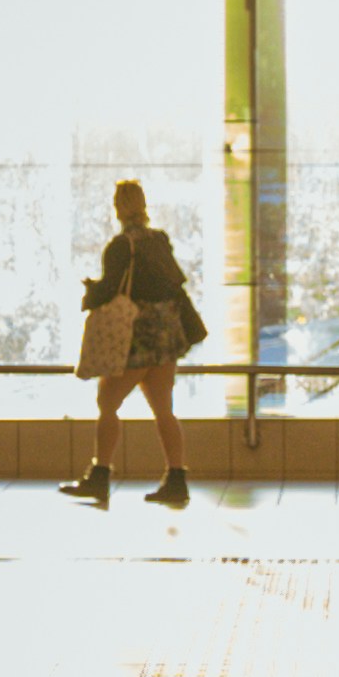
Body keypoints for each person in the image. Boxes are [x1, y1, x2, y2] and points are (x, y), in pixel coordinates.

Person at [64, 179, 202, 510]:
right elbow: (174, 281)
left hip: (137, 338)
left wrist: (89, 292)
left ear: (118, 208)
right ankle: (177, 479)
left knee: (107, 401)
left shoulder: (120, 246)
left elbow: (112, 289)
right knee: (163, 409)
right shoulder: (159, 240)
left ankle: (99, 477)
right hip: (167, 337)